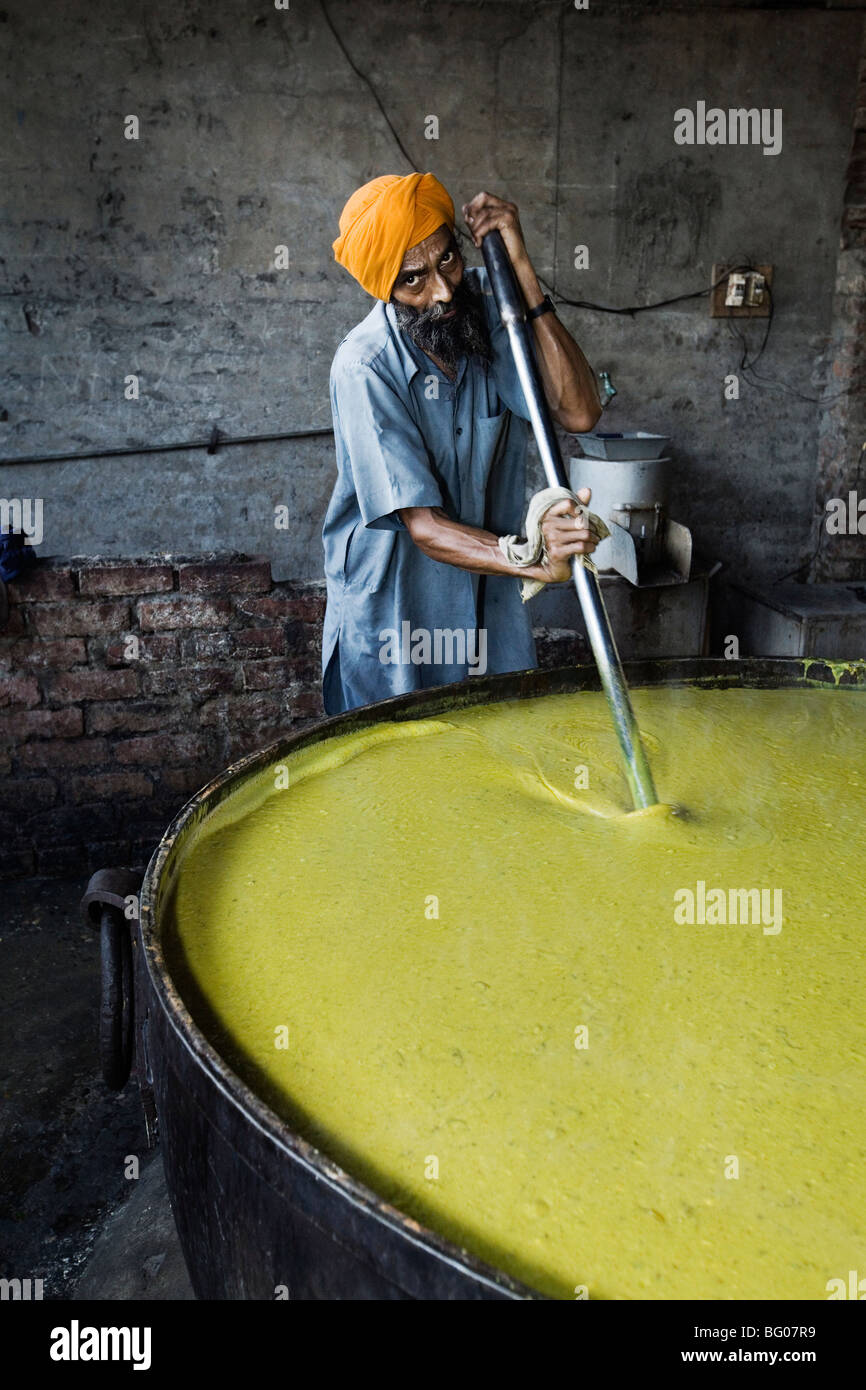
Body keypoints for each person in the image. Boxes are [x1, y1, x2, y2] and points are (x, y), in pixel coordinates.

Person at [322, 171, 603, 714]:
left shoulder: (488, 309)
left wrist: (521, 271)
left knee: (492, 756)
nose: (442, 291)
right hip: (398, 610)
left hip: (487, 594)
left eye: (447, 260)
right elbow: (423, 527)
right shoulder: (363, 367)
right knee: (401, 769)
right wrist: (530, 556)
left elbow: (580, 411)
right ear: (385, 288)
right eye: (414, 280)